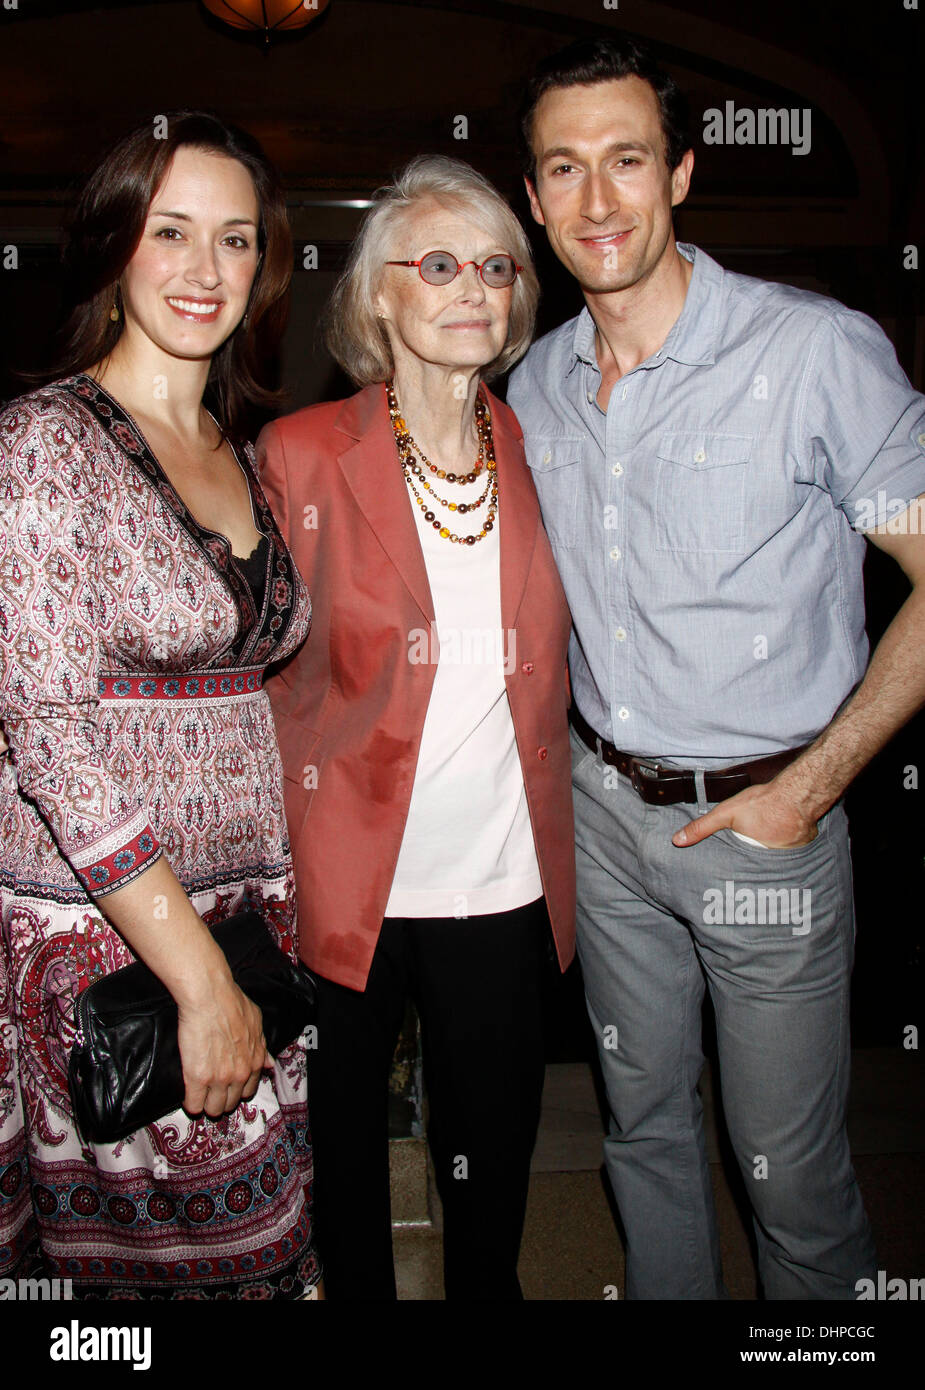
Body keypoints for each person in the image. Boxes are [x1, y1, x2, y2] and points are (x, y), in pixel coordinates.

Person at [508, 36, 925, 1300]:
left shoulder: (812, 351)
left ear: (680, 173)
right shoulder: (532, 384)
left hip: (764, 828)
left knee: (789, 1178)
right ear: (533, 198)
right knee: (640, 1137)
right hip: (605, 820)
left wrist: (811, 785)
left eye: (626, 161)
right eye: (563, 169)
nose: (596, 202)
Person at [0, 112, 321, 1299]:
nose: (204, 269)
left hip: (246, 924)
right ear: (115, 247)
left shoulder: (235, 449)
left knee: (262, 1245)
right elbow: (47, 735)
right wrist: (197, 981)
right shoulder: (44, 444)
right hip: (118, 947)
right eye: (168, 230)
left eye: (235, 240)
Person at [257, 154, 575, 1301]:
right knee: (341, 1161)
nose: (473, 288)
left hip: (499, 878)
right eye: (437, 263)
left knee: (487, 1171)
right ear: (378, 295)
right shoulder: (299, 454)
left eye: (496, 267)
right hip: (344, 879)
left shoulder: (546, 445)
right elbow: (260, 682)